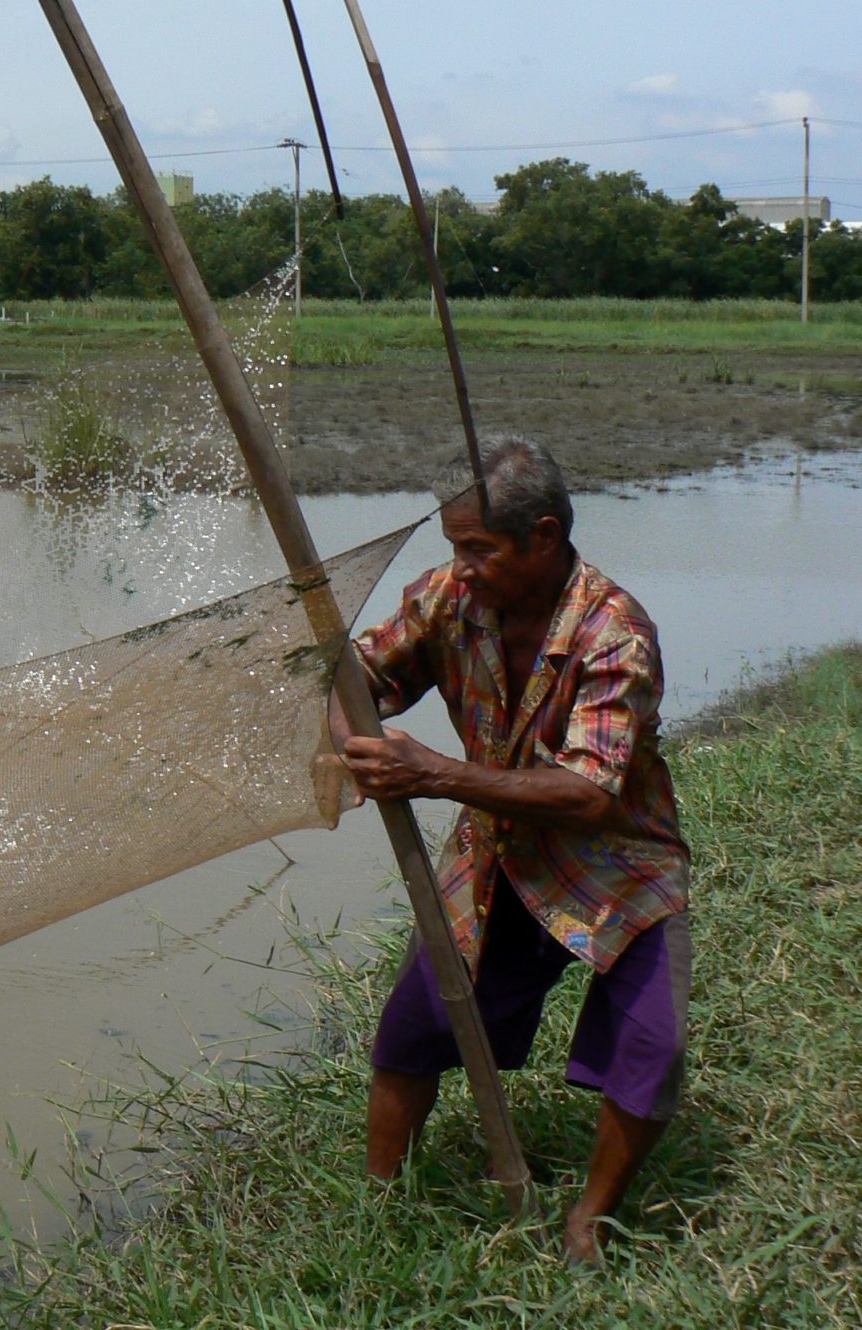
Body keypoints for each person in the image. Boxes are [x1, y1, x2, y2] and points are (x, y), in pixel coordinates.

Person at [331, 434, 690, 1263]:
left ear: (547, 537)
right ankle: (380, 1203)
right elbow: (360, 676)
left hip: (616, 861)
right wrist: (349, 732)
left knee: (653, 1048)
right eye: (455, 546)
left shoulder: (614, 632)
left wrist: (434, 772)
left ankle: (588, 1219)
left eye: (478, 548)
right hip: (496, 854)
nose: (462, 566)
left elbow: (589, 790)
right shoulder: (450, 599)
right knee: (416, 1027)